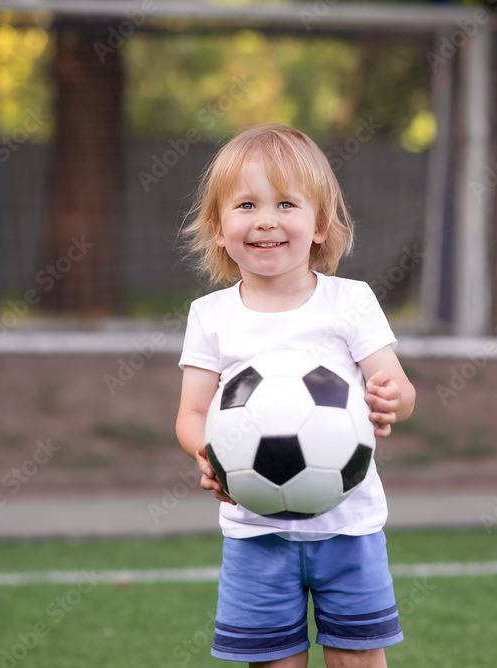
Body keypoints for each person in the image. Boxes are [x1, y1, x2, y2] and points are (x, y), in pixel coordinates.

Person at [175, 122, 416, 668]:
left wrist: (390, 398)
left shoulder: (350, 302)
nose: (265, 220)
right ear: (218, 227)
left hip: (348, 528)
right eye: (245, 205)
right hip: (255, 532)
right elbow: (192, 412)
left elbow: (400, 388)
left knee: (358, 659)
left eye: (286, 203)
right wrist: (204, 452)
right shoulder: (211, 316)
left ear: (320, 225)